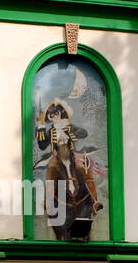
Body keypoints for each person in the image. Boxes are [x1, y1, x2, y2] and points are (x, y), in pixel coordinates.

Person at [35, 100, 103, 239]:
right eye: (51, 115)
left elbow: (83, 134)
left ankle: (95, 202)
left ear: (61, 114)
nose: (54, 116)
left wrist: (71, 131)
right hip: (57, 157)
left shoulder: (69, 126)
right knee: (51, 169)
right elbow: (42, 145)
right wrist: (41, 126)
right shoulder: (51, 130)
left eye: (56, 113)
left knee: (83, 169)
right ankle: (48, 201)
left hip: (71, 155)